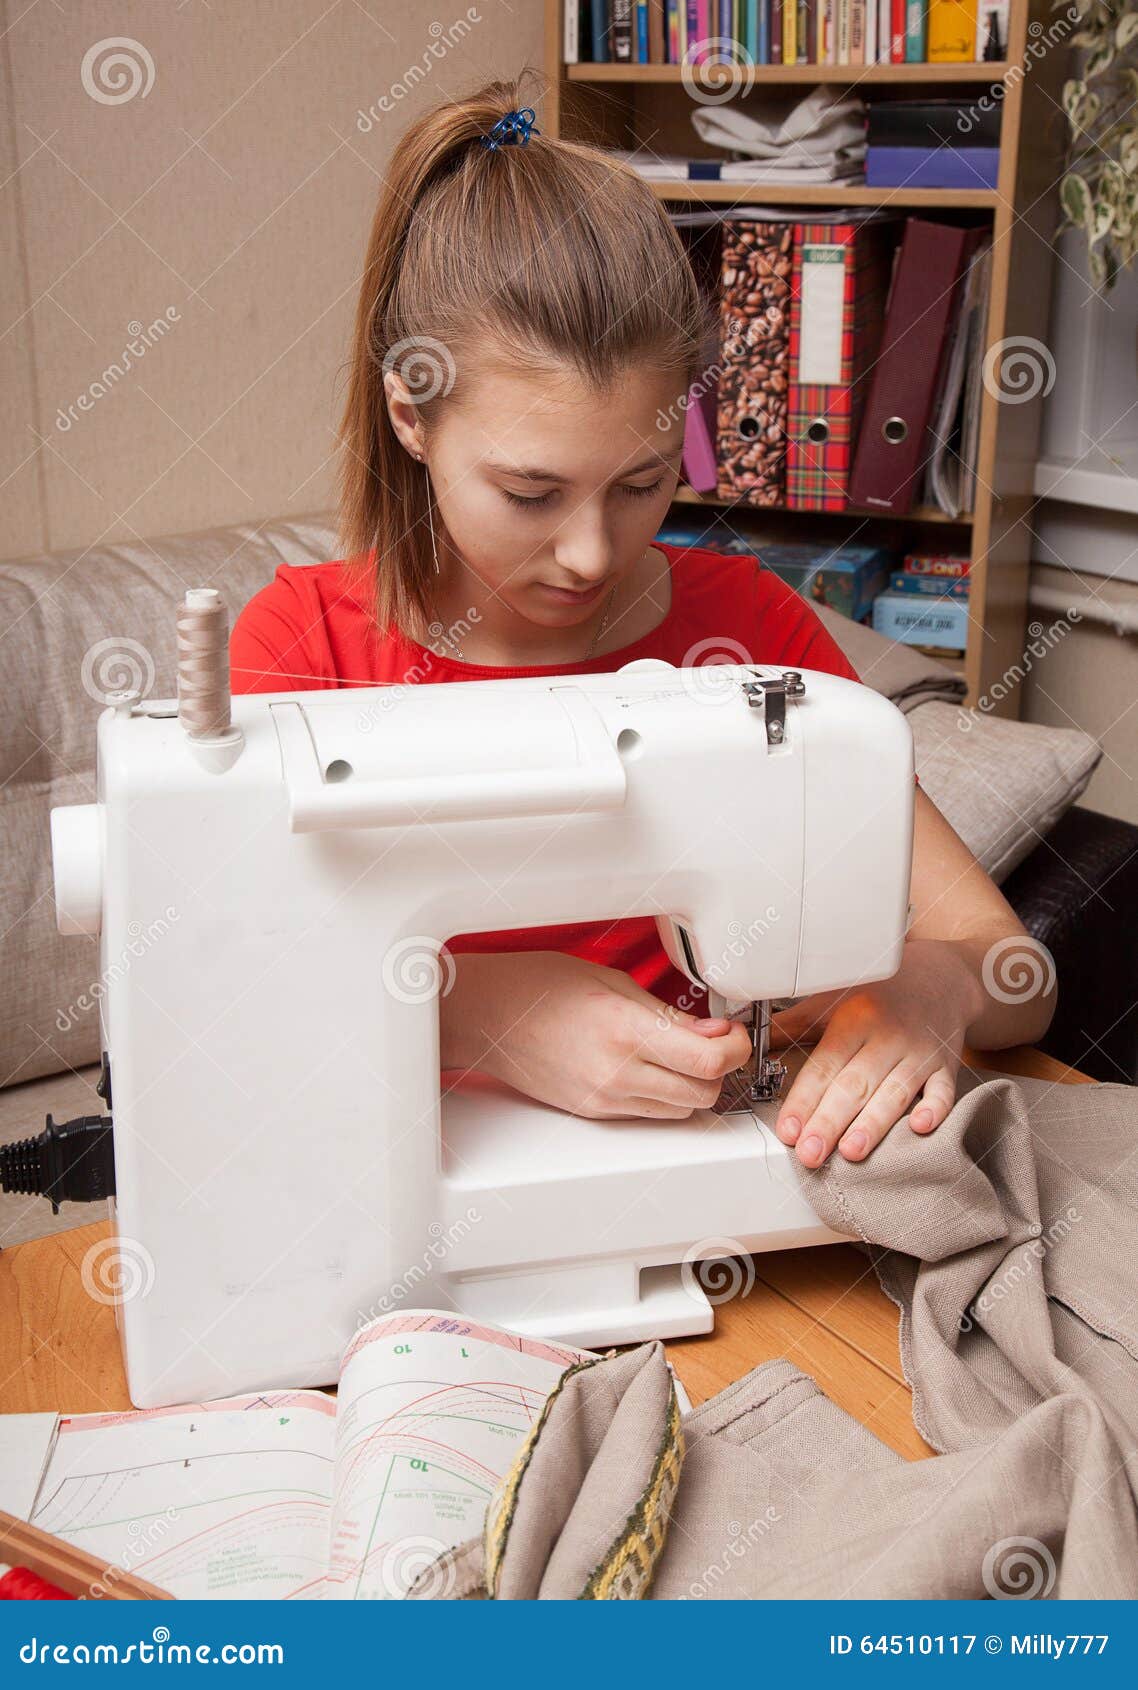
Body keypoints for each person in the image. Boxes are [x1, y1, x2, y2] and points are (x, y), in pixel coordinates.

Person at [230, 72, 1055, 1170]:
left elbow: (1013, 969)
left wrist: (930, 983)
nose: (589, 553)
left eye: (642, 481)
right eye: (531, 492)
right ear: (409, 413)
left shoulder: (749, 631)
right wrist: (481, 1010)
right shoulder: (305, 653)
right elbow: (234, 992)